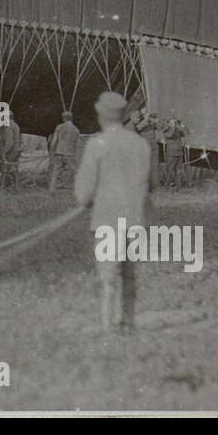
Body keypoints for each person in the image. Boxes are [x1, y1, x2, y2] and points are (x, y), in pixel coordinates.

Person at [75, 91, 157, 334]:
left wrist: (87, 200)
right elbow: (153, 183)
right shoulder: (141, 144)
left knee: (108, 275)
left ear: (101, 116)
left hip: (106, 219)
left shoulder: (96, 144)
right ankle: (128, 322)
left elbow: (84, 192)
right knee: (129, 274)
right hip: (134, 218)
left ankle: (106, 326)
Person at [47, 111, 81, 192]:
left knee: (56, 172)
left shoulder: (59, 127)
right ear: (72, 118)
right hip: (70, 154)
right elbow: (77, 145)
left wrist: (52, 152)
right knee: (75, 172)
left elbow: (54, 141)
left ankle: (52, 190)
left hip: (59, 152)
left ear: (64, 118)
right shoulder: (76, 130)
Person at [0, 114, 22, 190]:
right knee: (13, 169)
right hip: (16, 150)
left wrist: (4, 152)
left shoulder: (8, 126)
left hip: (11, 152)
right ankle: (15, 187)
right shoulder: (15, 125)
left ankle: (10, 186)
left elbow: (10, 141)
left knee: (6, 169)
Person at [161, 116, 188, 189]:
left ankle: (178, 186)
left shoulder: (176, 130)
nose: (174, 123)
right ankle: (167, 186)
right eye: (171, 122)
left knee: (178, 170)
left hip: (179, 152)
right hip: (171, 153)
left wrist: (181, 124)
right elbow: (170, 135)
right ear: (168, 123)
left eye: (174, 122)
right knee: (170, 170)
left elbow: (186, 133)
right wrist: (173, 126)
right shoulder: (165, 130)